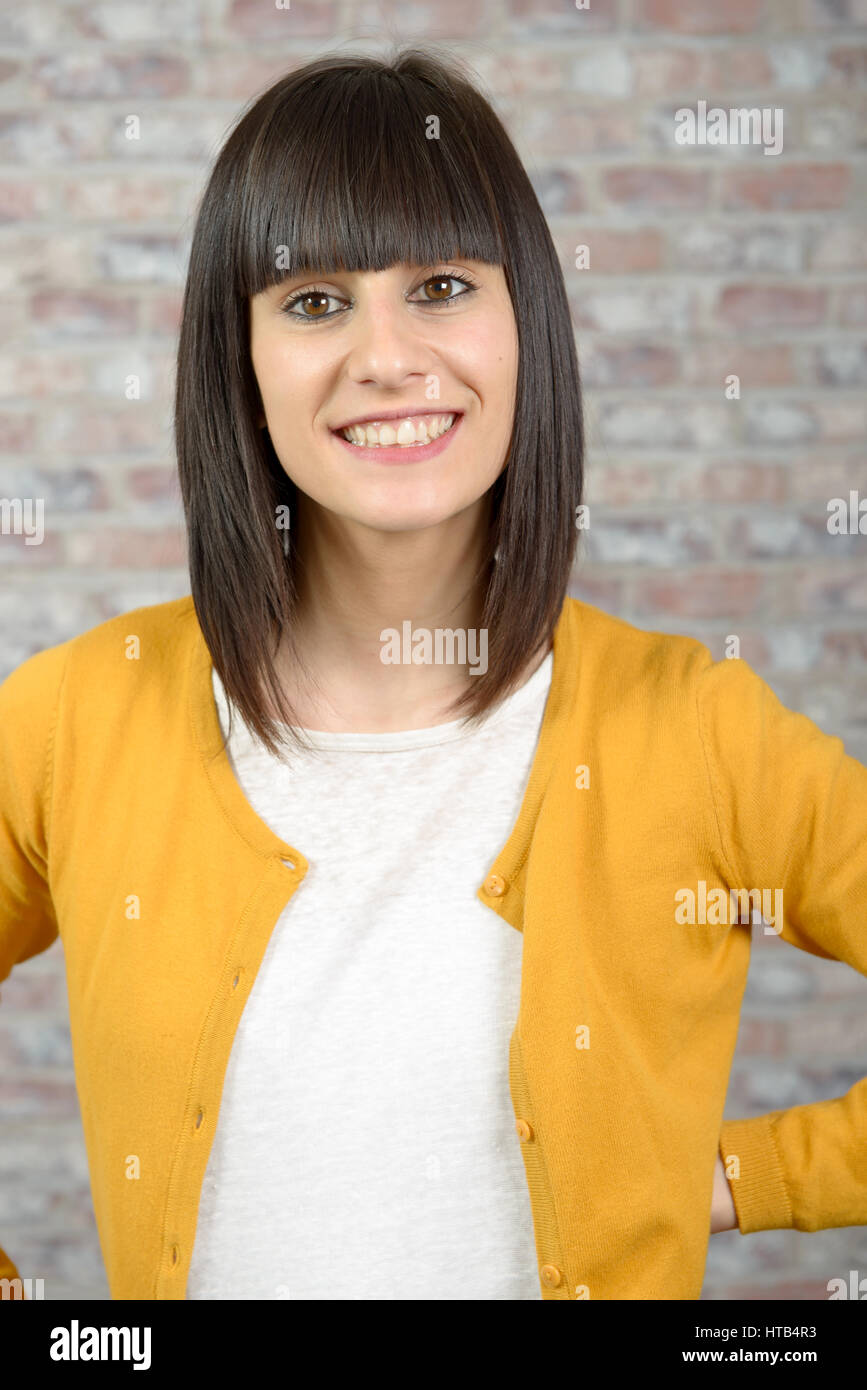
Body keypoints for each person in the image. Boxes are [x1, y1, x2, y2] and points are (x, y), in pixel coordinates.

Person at [1, 46, 865, 1303]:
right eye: (313, 302)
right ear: (234, 360)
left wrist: (730, 1174)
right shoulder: (75, 718)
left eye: (443, 286)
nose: (388, 357)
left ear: (527, 328)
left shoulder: (695, 730)